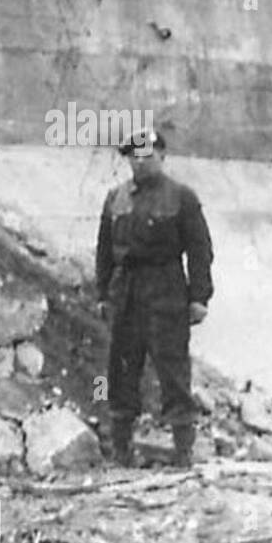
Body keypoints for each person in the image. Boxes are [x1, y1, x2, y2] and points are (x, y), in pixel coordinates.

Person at [95, 129, 213, 467]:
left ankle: (182, 452)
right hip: (126, 292)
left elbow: (200, 249)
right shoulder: (115, 198)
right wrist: (103, 293)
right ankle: (121, 449)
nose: (139, 161)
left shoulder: (181, 197)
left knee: (173, 370)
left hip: (166, 291)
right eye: (133, 155)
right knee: (120, 369)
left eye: (147, 154)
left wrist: (199, 296)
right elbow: (105, 251)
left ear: (162, 156)